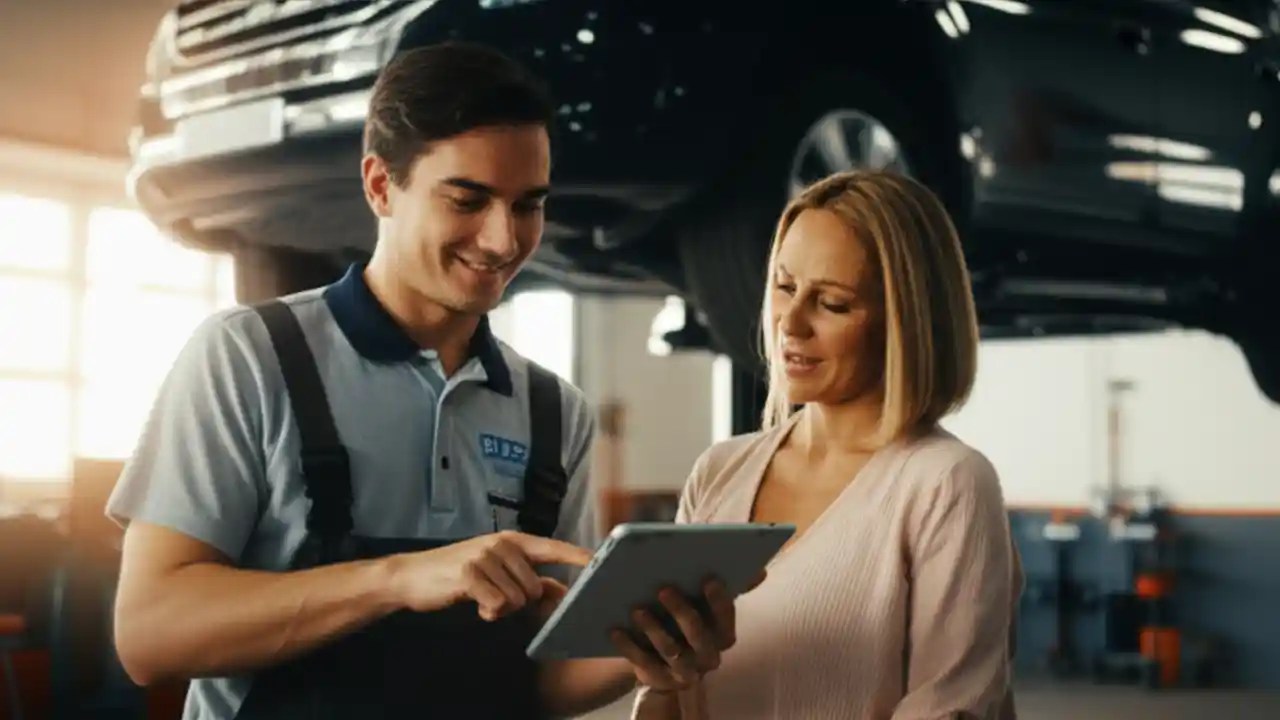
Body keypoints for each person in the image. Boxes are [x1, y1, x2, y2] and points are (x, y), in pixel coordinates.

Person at [109, 41, 740, 720]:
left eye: (528, 205)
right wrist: (399, 579)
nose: (503, 240)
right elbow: (149, 635)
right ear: (381, 185)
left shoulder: (556, 414)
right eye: (467, 200)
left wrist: (644, 654)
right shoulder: (248, 358)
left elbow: (543, 680)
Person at [634, 170, 1024, 719]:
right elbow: (671, 703)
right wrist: (659, 677)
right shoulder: (720, 471)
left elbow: (949, 708)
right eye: (785, 286)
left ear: (904, 321)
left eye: (833, 304)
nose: (791, 323)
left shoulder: (945, 482)